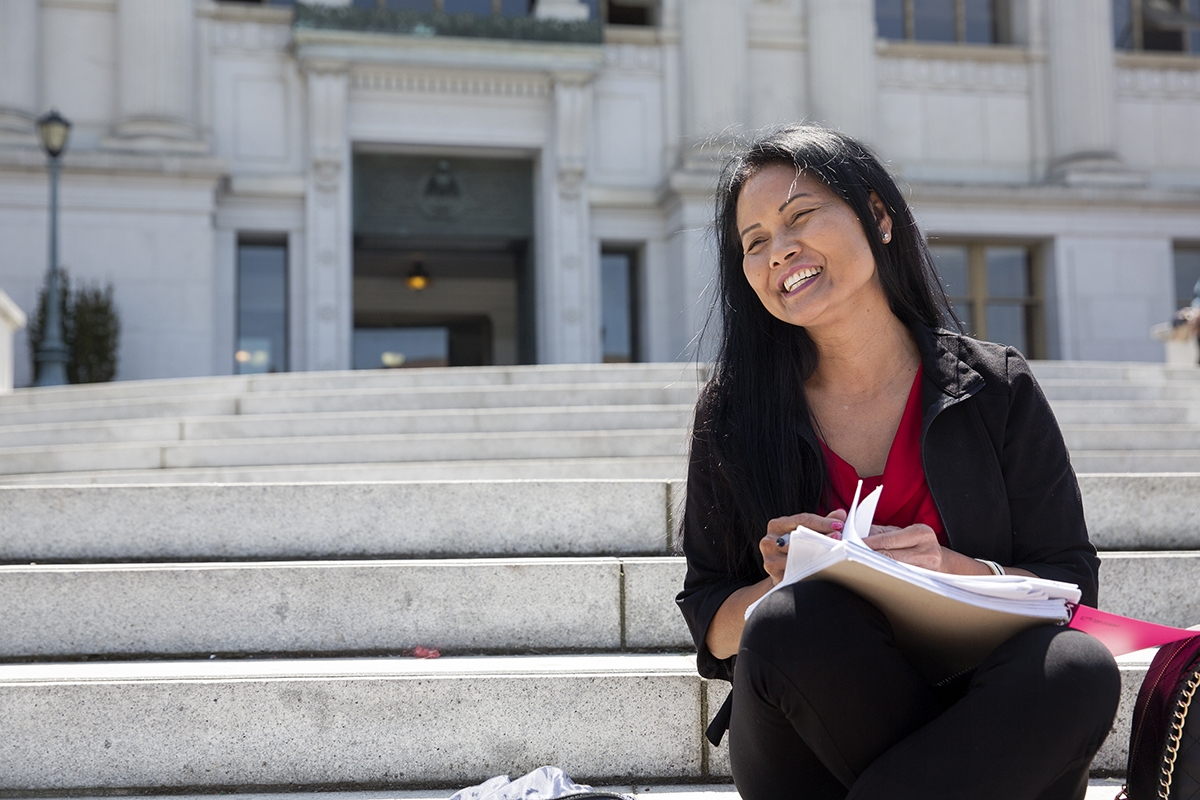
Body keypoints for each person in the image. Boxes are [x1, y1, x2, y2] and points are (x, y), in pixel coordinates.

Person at [675, 125, 1121, 800]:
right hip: (812, 730)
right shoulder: (734, 415)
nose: (780, 250)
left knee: (1078, 667)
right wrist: (788, 579)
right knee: (793, 621)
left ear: (878, 217)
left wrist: (952, 568)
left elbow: (1070, 584)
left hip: (986, 728)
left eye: (799, 217)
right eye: (755, 241)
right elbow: (711, 622)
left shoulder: (996, 387)